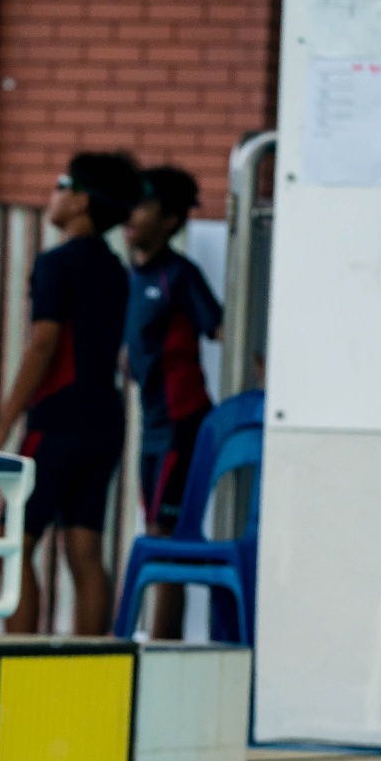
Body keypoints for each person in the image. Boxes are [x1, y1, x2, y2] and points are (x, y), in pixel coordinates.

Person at [0, 151, 143, 635]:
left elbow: (44, 343)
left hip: (58, 419)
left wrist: (4, 423)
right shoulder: (116, 269)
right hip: (105, 419)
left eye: (61, 183)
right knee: (85, 551)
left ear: (80, 200)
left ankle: (22, 660)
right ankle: (94, 666)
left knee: (9, 542)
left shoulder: (56, 263)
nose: (53, 192)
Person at [123, 165, 224, 639]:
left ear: (169, 220)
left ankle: (163, 649)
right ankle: (164, 644)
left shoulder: (180, 276)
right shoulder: (132, 276)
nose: (131, 215)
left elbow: (223, 328)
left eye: (141, 206)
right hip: (153, 424)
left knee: (166, 539)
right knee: (160, 534)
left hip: (183, 425)